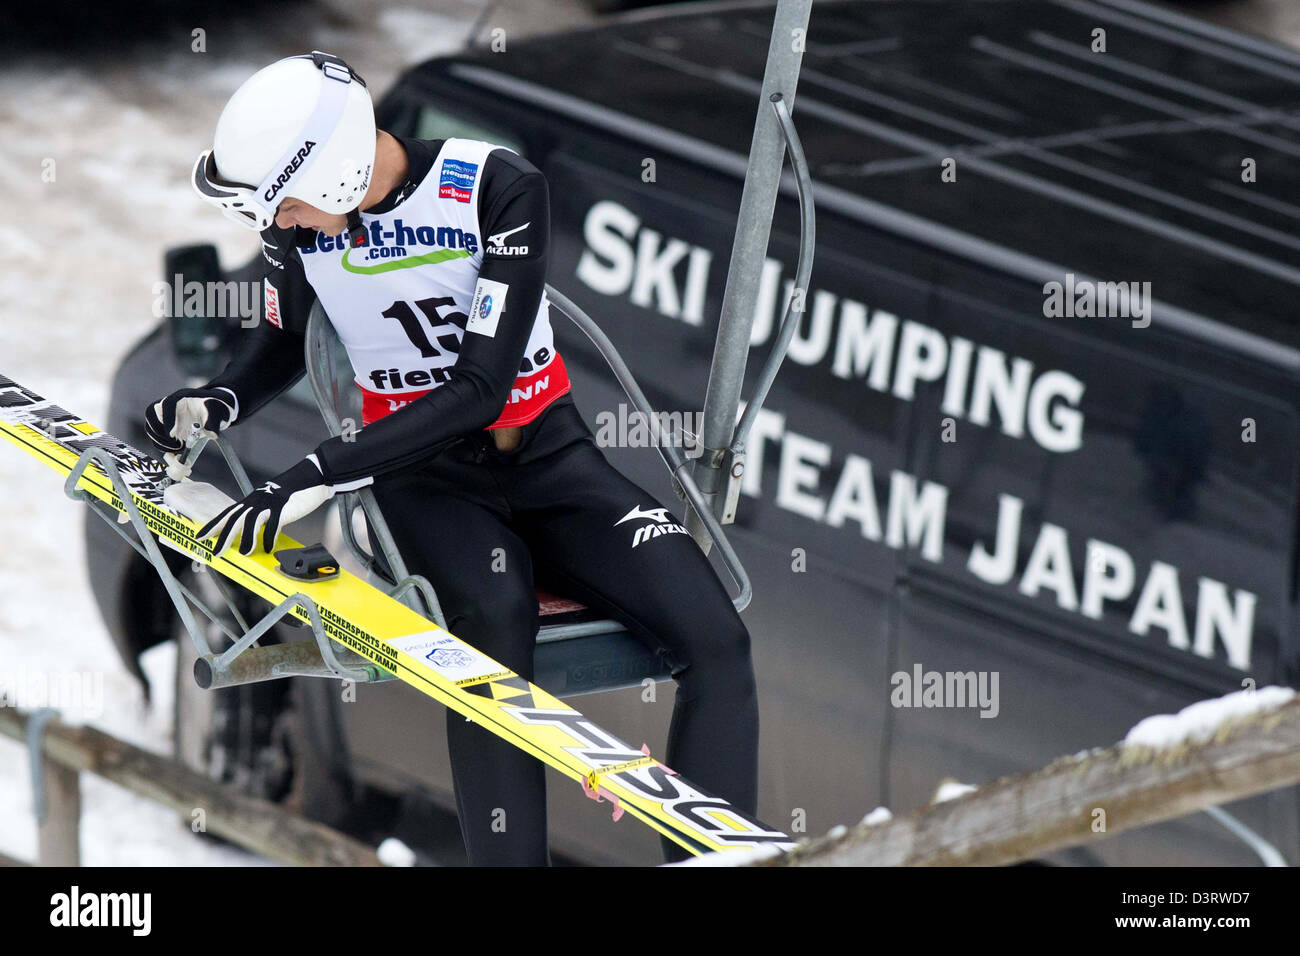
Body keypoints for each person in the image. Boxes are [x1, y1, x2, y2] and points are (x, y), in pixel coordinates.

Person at [146, 51, 759, 865]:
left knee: (718, 642)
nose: (280, 224)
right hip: (427, 482)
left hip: (549, 459)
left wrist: (317, 473)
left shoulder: (497, 188)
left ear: (332, 171)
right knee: (493, 630)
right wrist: (218, 400)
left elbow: (480, 387)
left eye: (285, 203)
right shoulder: (298, 226)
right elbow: (285, 336)